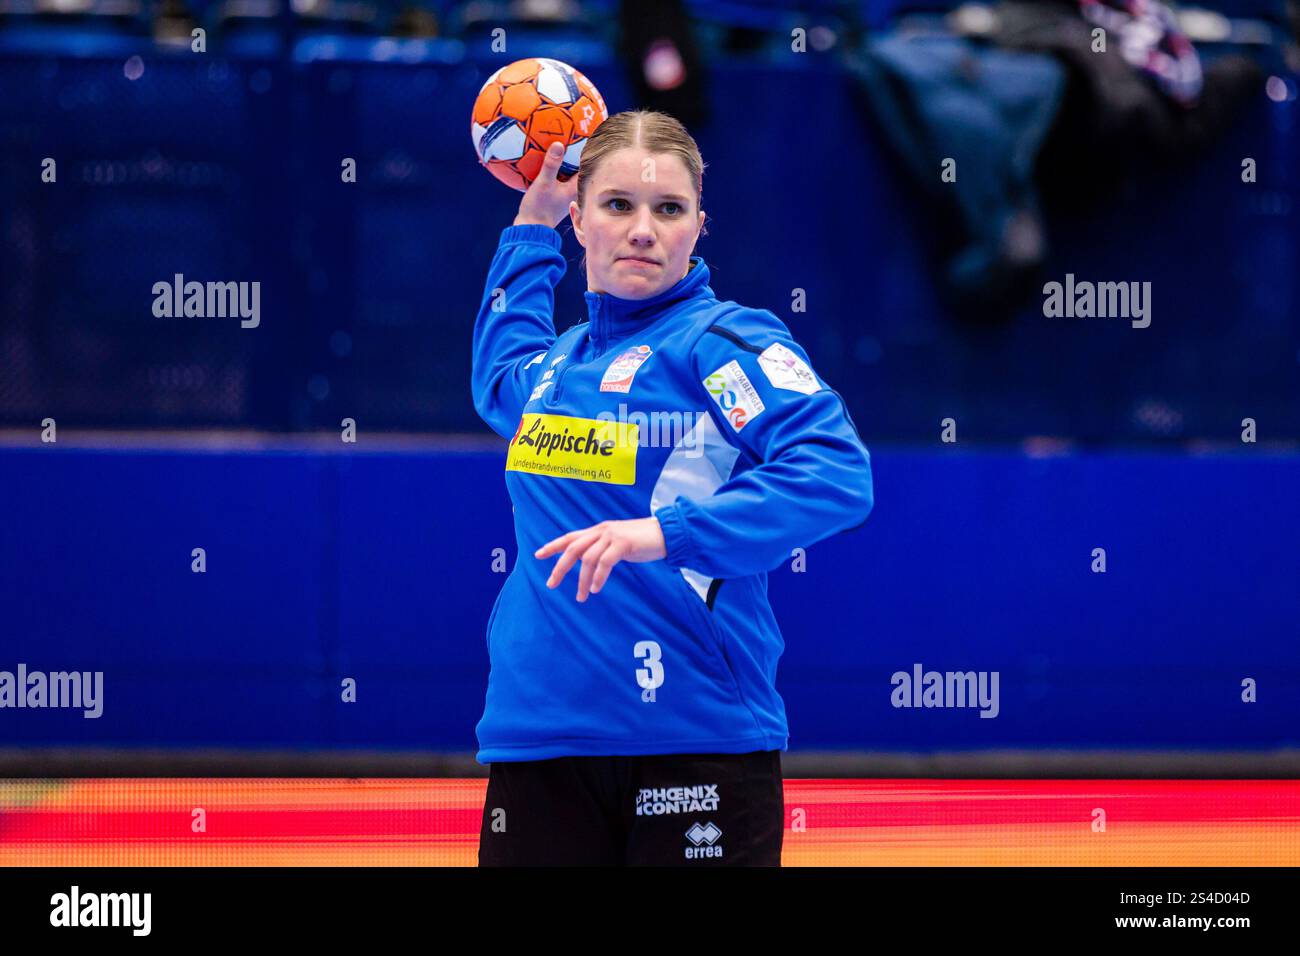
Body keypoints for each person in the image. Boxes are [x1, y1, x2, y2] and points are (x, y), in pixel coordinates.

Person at [471, 110, 873, 866]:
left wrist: (665, 534)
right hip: (541, 740)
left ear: (698, 226)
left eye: (669, 209)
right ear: (581, 218)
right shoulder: (558, 367)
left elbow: (834, 473)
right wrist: (530, 229)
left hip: (695, 746)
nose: (643, 230)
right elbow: (498, 380)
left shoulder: (722, 344)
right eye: (618, 205)